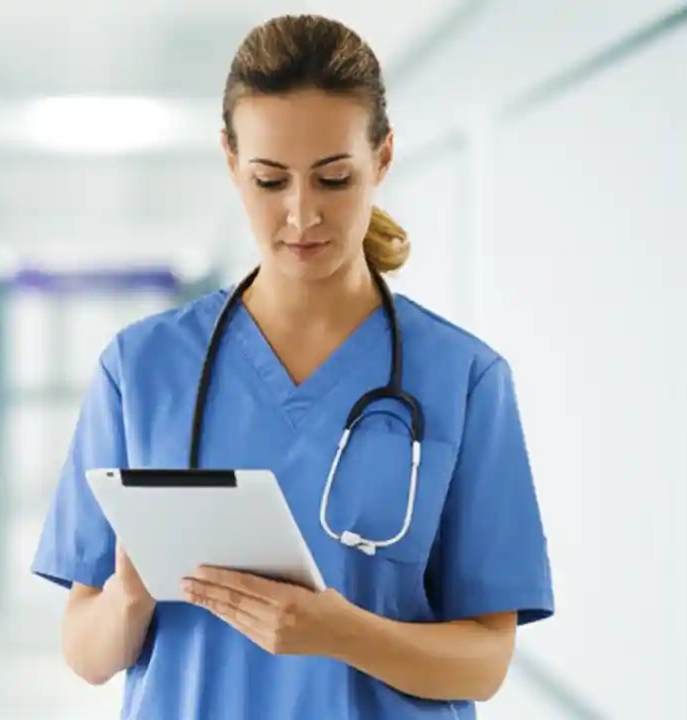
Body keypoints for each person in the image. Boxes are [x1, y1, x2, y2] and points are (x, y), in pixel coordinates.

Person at [30, 13, 554, 719]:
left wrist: (340, 634)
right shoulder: (142, 369)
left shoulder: (462, 380)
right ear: (230, 163)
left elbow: (485, 661)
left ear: (383, 159)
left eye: (333, 179)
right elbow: (85, 652)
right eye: (270, 180)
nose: (302, 215)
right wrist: (130, 593)